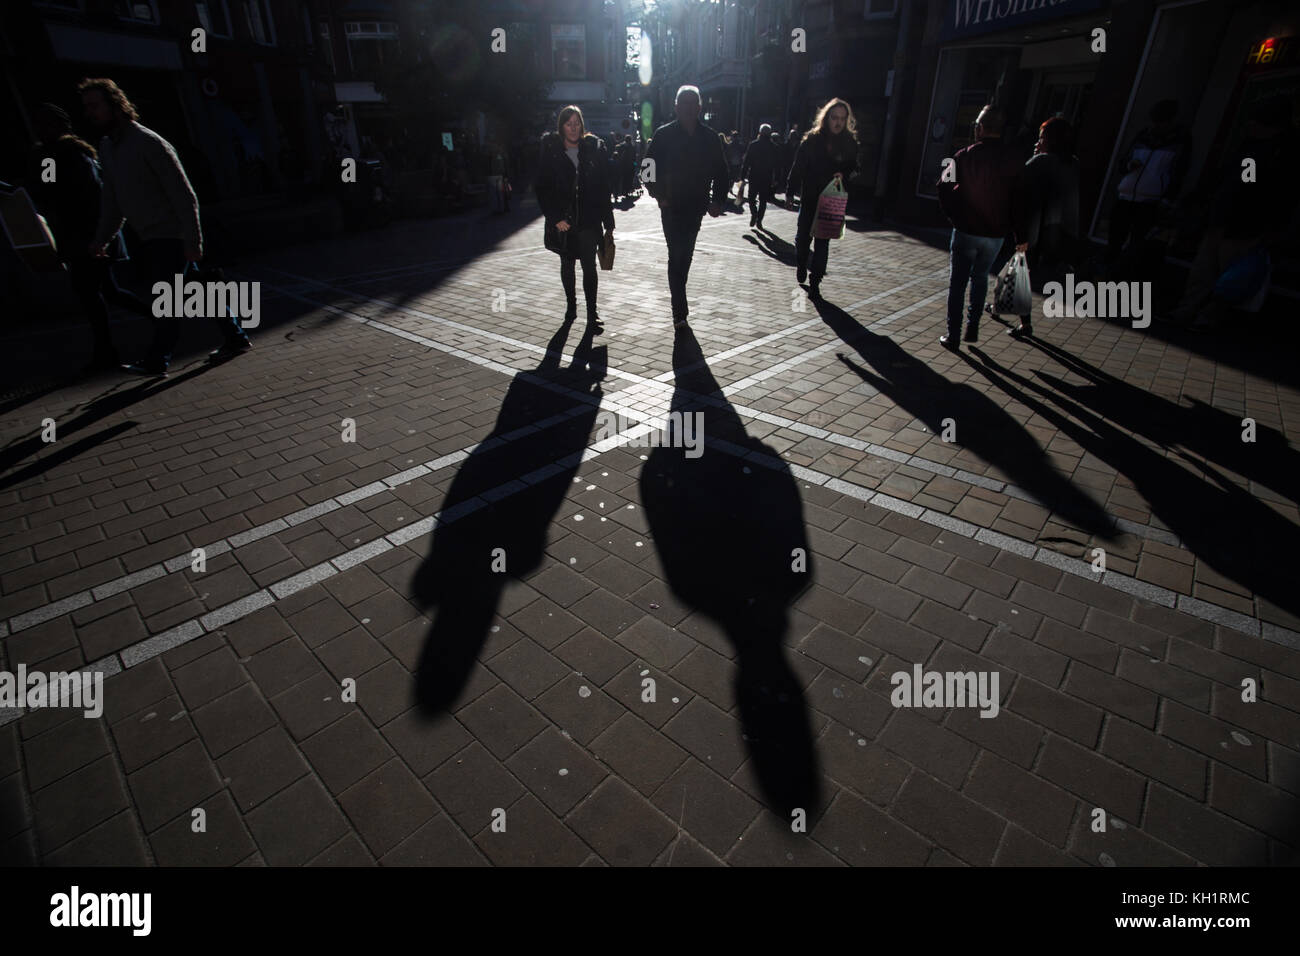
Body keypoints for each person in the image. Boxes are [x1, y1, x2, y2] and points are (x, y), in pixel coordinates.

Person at [81, 78, 251, 375]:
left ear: (115, 104)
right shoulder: (107, 148)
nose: (90, 112)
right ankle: (236, 337)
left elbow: (184, 196)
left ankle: (157, 359)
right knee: (197, 288)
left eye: (95, 106)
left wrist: (193, 240)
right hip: (147, 236)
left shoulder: (149, 142)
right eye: (87, 107)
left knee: (166, 297)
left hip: (170, 234)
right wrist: (102, 238)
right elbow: (112, 201)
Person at [29, 102, 147, 374]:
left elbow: (90, 197)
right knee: (106, 293)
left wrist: (98, 239)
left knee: (93, 294)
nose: (41, 131)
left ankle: (107, 352)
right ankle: (156, 322)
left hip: (88, 237)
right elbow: (47, 189)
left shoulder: (71, 154)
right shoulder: (52, 155)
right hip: (81, 237)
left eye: (45, 125)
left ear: (59, 127)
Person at [1167, 97, 1300, 329]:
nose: (1250, 125)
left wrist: (1272, 228)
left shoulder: (1282, 153)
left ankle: (1208, 317)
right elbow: (1228, 179)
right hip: (1222, 219)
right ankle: (1187, 310)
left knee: (1231, 276)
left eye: (1257, 122)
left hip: (1247, 226)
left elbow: (1269, 192)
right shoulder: (1249, 146)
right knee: (1204, 270)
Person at [935, 104, 1022, 348]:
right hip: (995, 233)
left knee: (958, 283)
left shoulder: (962, 155)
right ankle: (973, 326)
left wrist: (954, 215)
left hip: (966, 230)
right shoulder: (1013, 160)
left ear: (980, 128)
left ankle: (953, 334)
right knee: (981, 277)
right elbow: (1020, 198)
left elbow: (943, 186)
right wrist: (1017, 231)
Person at [644, 85, 731, 329]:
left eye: (693, 104)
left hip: (696, 207)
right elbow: (647, 168)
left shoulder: (709, 137)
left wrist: (718, 200)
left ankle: (679, 301)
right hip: (670, 206)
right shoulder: (664, 135)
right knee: (677, 254)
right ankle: (679, 311)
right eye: (684, 103)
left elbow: (722, 172)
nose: (688, 108)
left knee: (686, 255)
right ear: (676, 107)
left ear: (699, 108)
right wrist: (658, 194)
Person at [534, 105, 615, 332]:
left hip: (589, 218)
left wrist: (608, 223)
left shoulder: (593, 149)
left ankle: (592, 313)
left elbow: (603, 187)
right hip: (565, 221)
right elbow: (542, 188)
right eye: (569, 124)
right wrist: (555, 217)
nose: (573, 128)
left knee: (590, 267)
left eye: (577, 123)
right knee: (567, 265)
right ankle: (571, 307)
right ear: (561, 127)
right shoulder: (551, 151)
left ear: (582, 125)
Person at [1007, 117, 1080, 338]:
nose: (1038, 141)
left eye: (1041, 138)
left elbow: (1018, 187)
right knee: (1017, 268)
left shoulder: (1041, 162)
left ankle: (1025, 323)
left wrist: (1034, 156)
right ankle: (1002, 302)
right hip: (1059, 228)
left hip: (1034, 227)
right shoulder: (1072, 163)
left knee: (1022, 271)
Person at [1105, 99, 1191, 277]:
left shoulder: (1181, 141)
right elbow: (1122, 163)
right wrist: (1129, 166)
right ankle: (1105, 277)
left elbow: (1179, 172)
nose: (1157, 125)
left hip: (1150, 201)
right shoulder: (1142, 136)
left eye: (1162, 121)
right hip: (1126, 196)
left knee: (1137, 245)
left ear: (1171, 121)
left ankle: (1122, 281)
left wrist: (1167, 200)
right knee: (1114, 241)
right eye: (1155, 121)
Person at [786, 99, 859, 300]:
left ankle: (815, 282)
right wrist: (790, 192)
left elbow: (855, 168)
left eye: (842, 119)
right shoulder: (812, 140)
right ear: (826, 118)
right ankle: (801, 263)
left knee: (822, 243)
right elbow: (798, 167)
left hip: (831, 200)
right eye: (834, 118)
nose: (838, 122)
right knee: (802, 239)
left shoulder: (849, 143)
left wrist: (845, 174)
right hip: (810, 197)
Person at [740, 123, 777, 230]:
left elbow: (746, 162)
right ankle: (759, 220)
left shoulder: (753, 145)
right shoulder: (773, 147)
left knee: (751, 198)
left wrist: (742, 175)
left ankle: (754, 214)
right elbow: (777, 164)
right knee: (763, 200)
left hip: (754, 176)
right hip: (767, 177)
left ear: (760, 133)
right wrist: (776, 179)